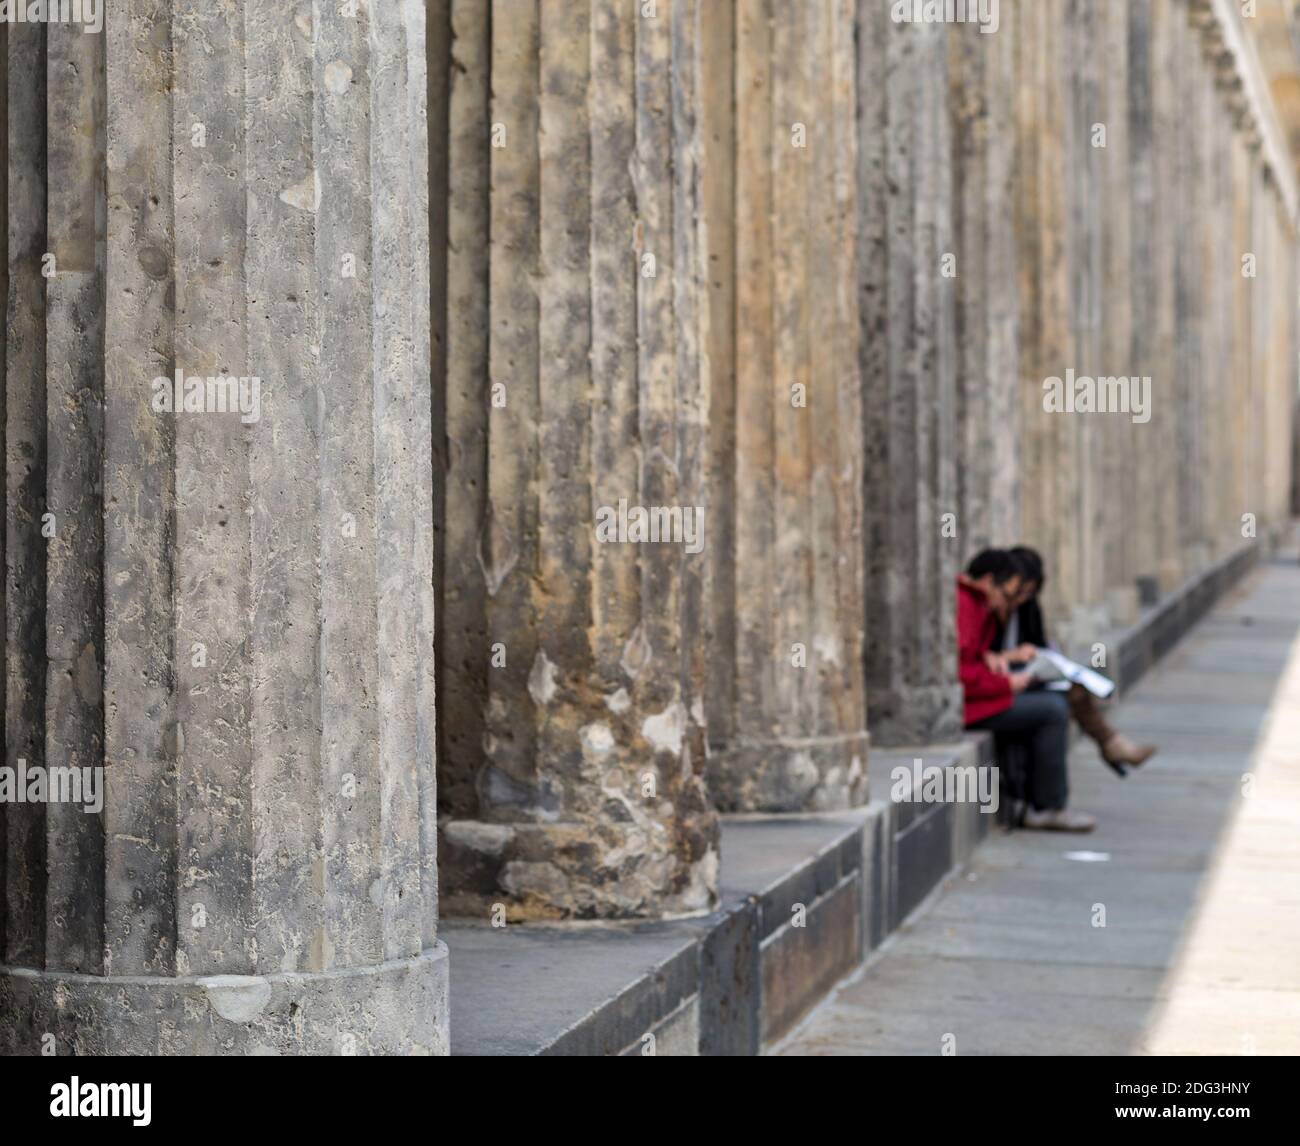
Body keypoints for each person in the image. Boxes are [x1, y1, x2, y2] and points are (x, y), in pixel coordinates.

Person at [957, 548, 1096, 832]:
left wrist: (998, 661)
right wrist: (1006, 682)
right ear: (987, 581)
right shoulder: (967, 606)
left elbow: (974, 658)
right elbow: (961, 673)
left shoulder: (981, 606)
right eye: (1008, 596)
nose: (1012, 603)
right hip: (972, 705)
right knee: (1051, 711)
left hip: (984, 694)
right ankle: (1047, 806)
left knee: (1055, 698)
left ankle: (1041, 797)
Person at [994, 546, 1156, 777]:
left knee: (1074, 688)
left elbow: (1039, 645)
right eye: (1018, 593)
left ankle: (1112, 744)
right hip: (1002, 683)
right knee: (1059, 705)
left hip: (1023, 675)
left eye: (1028, 594)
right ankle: (1111, 745)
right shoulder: (994, 605)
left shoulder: (1026, 609)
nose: (1021, 599)